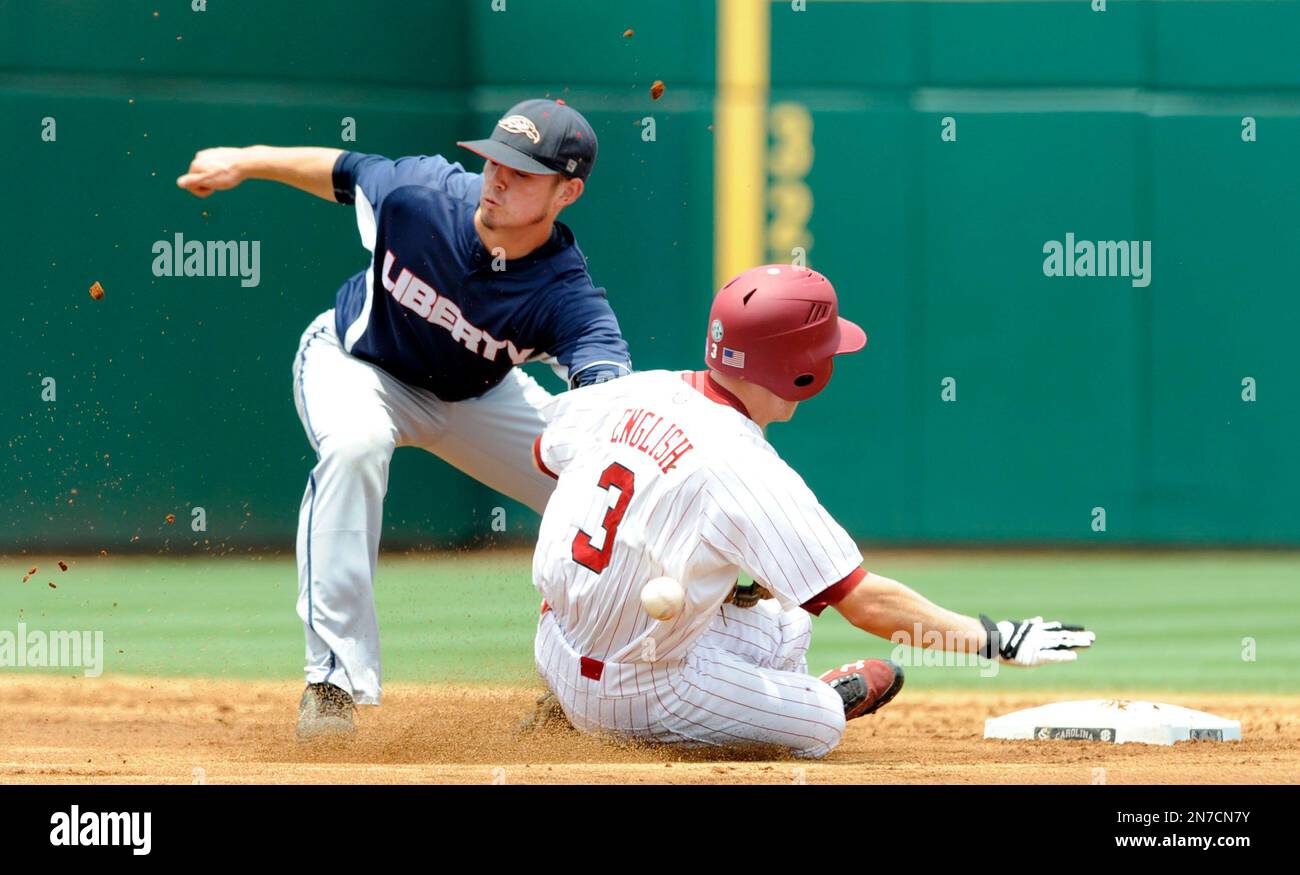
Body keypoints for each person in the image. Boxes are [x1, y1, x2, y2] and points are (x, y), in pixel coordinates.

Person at [177, 99, 632, 740]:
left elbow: (605, 380)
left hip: (476, 399)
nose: (498, 178)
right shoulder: (421, 195)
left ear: (568, 192)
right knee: (356, 444)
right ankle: (332, 682)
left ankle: (583, 691)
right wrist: (246, 162)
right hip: (355, 363)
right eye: (494, 159)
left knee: (609, 494)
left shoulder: (564, 293)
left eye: (523, 172)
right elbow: (341, 169)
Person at [527, 264, 1094, 757]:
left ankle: (576, 702)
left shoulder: (638, 390)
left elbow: (548, 455)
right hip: (635, 695)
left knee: (788, 619)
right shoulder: (745, 465)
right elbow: (865, 602)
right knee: (820, 722)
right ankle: (808, 699)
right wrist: (994, 639)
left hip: (555, 646)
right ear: (801, 368)